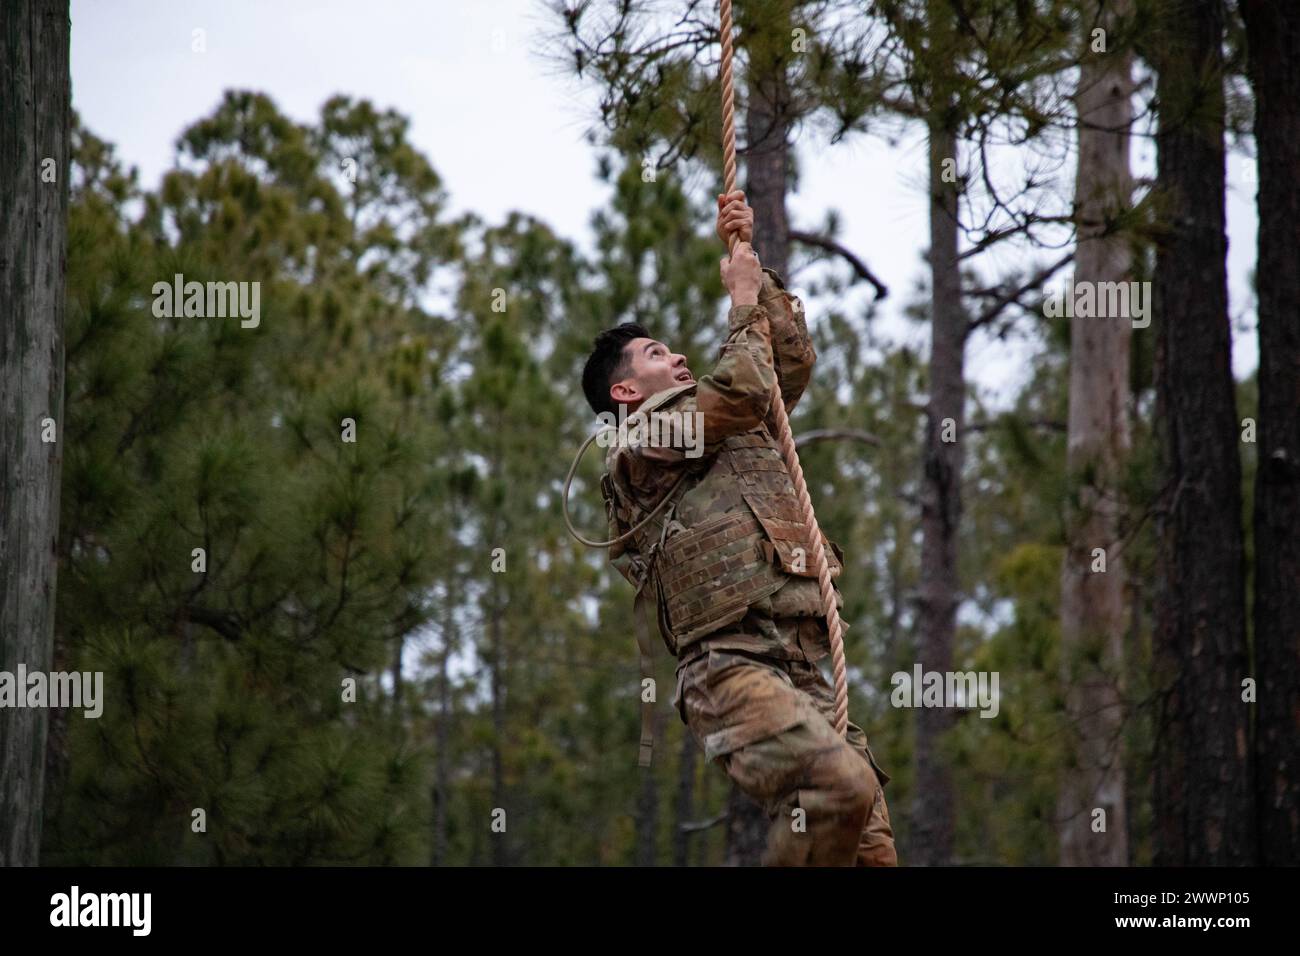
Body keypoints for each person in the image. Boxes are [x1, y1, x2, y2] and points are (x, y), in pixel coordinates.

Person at [580, 191, 897, 866]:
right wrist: (742, 301)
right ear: (626, 392)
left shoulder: (728, 417)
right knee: (838, 786)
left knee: (869, 843)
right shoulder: (643, 443)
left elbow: (787, 368)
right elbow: (749, 387)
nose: (678, 359)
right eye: (657, 353)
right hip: (729, 668)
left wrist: (755, 264)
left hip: (798, 662)